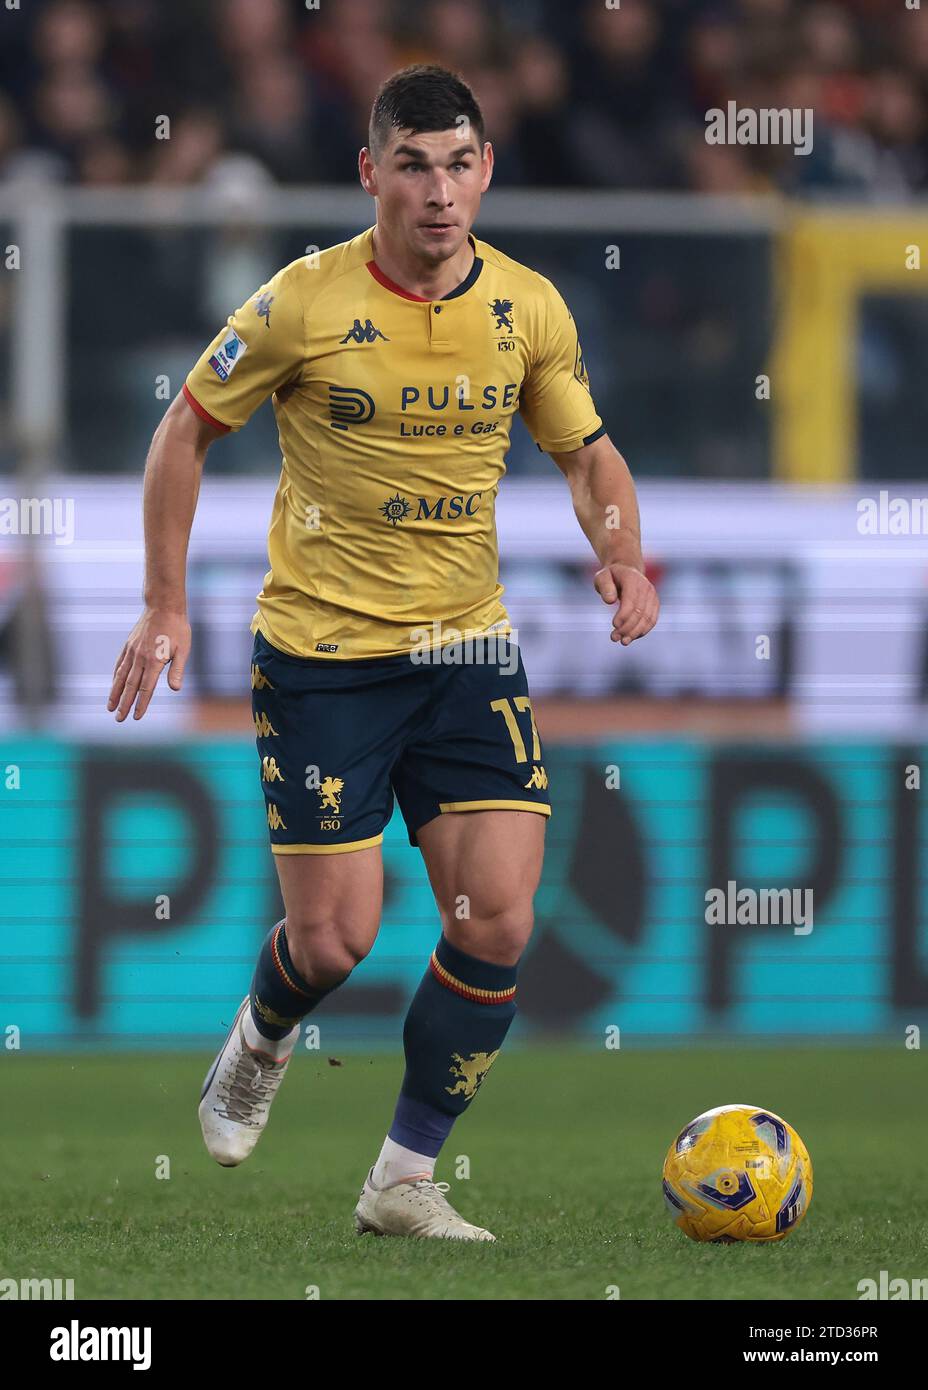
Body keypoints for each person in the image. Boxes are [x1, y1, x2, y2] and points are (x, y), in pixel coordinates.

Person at [107, 64, 659, 1241]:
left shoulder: (528, 309)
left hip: (467, 650)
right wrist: (164, 604)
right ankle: (261, 1035)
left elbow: (587, 454)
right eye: (412, 165)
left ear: (486, 171)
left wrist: (621, 550)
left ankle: (401, 1178)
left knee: (497, 919)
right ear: (370, 174)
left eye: (458, 164)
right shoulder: (300, 303)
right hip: (323, 656)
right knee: (335, 941)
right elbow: (181, 436)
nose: (438, 191)